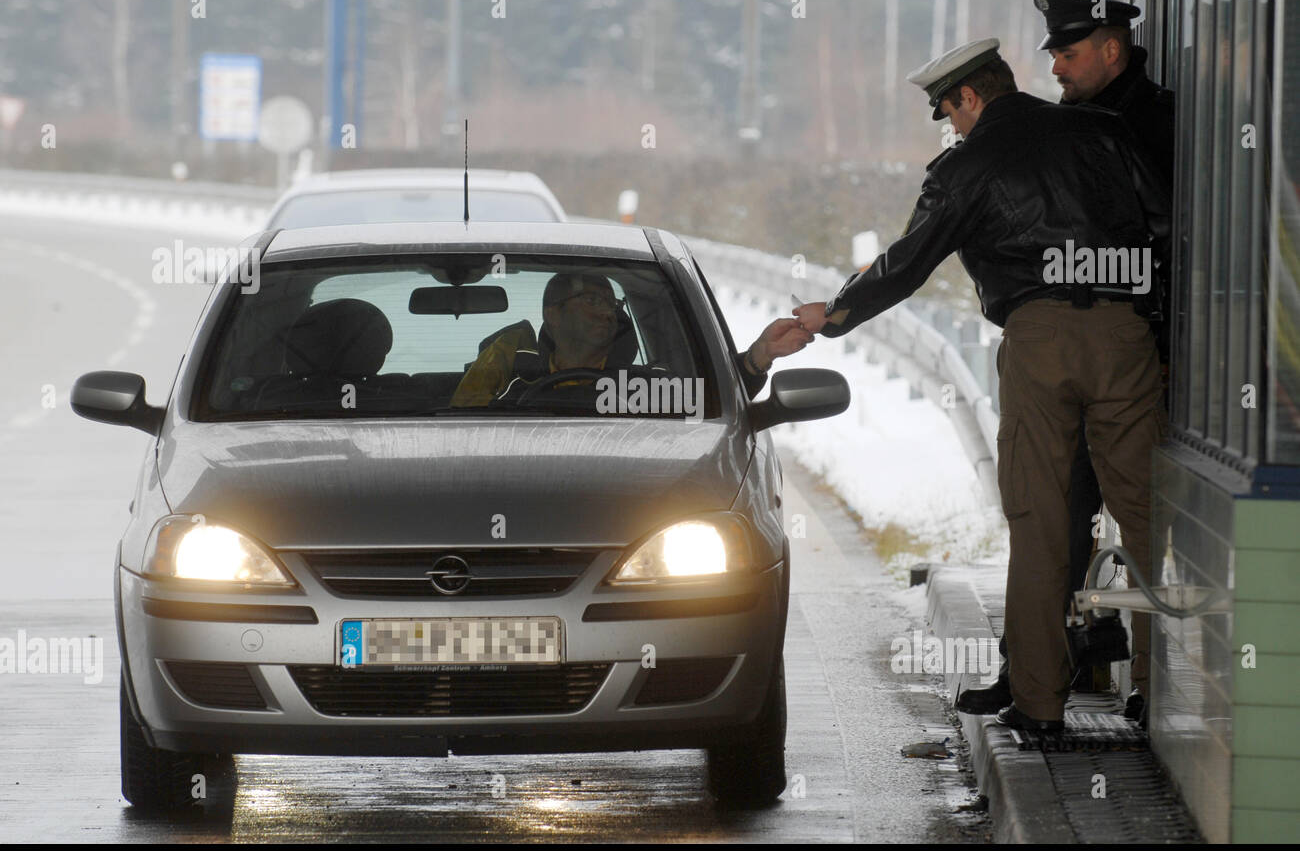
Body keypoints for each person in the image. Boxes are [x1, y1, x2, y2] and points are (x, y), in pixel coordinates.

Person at [794, 38, 1170, 733]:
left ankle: (1039, 702)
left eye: (949, 112)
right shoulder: (1103, 132)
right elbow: (1165, 225)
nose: (951, 126)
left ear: (970, 97)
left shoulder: (970, 166)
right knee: (1145, 514)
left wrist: (835, 313)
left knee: (1042, 519)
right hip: (1125, 333)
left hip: (1040, 339)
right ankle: (1158, 693)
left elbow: (908, 262)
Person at [1029, 0, 1176, 723]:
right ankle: (1050, 672)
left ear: (1111, 50)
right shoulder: (1064, 127)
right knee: (1060, 510)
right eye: (1055, 51)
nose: (1055, 64)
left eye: (1068, 50)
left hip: (1140, 352)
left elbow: (1179, 246)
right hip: (1078, 353)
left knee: (1141, 518)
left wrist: (1169, 347)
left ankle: (1150, 684)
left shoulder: (1160, 124)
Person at [452, 271, 811, 407]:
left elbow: (714, 405)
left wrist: (757, 357)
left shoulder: (643, 389)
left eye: (611, 303)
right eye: (591, 301)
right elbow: (458, 426)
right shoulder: (510, 379)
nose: (607, 312)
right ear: (553, 314)